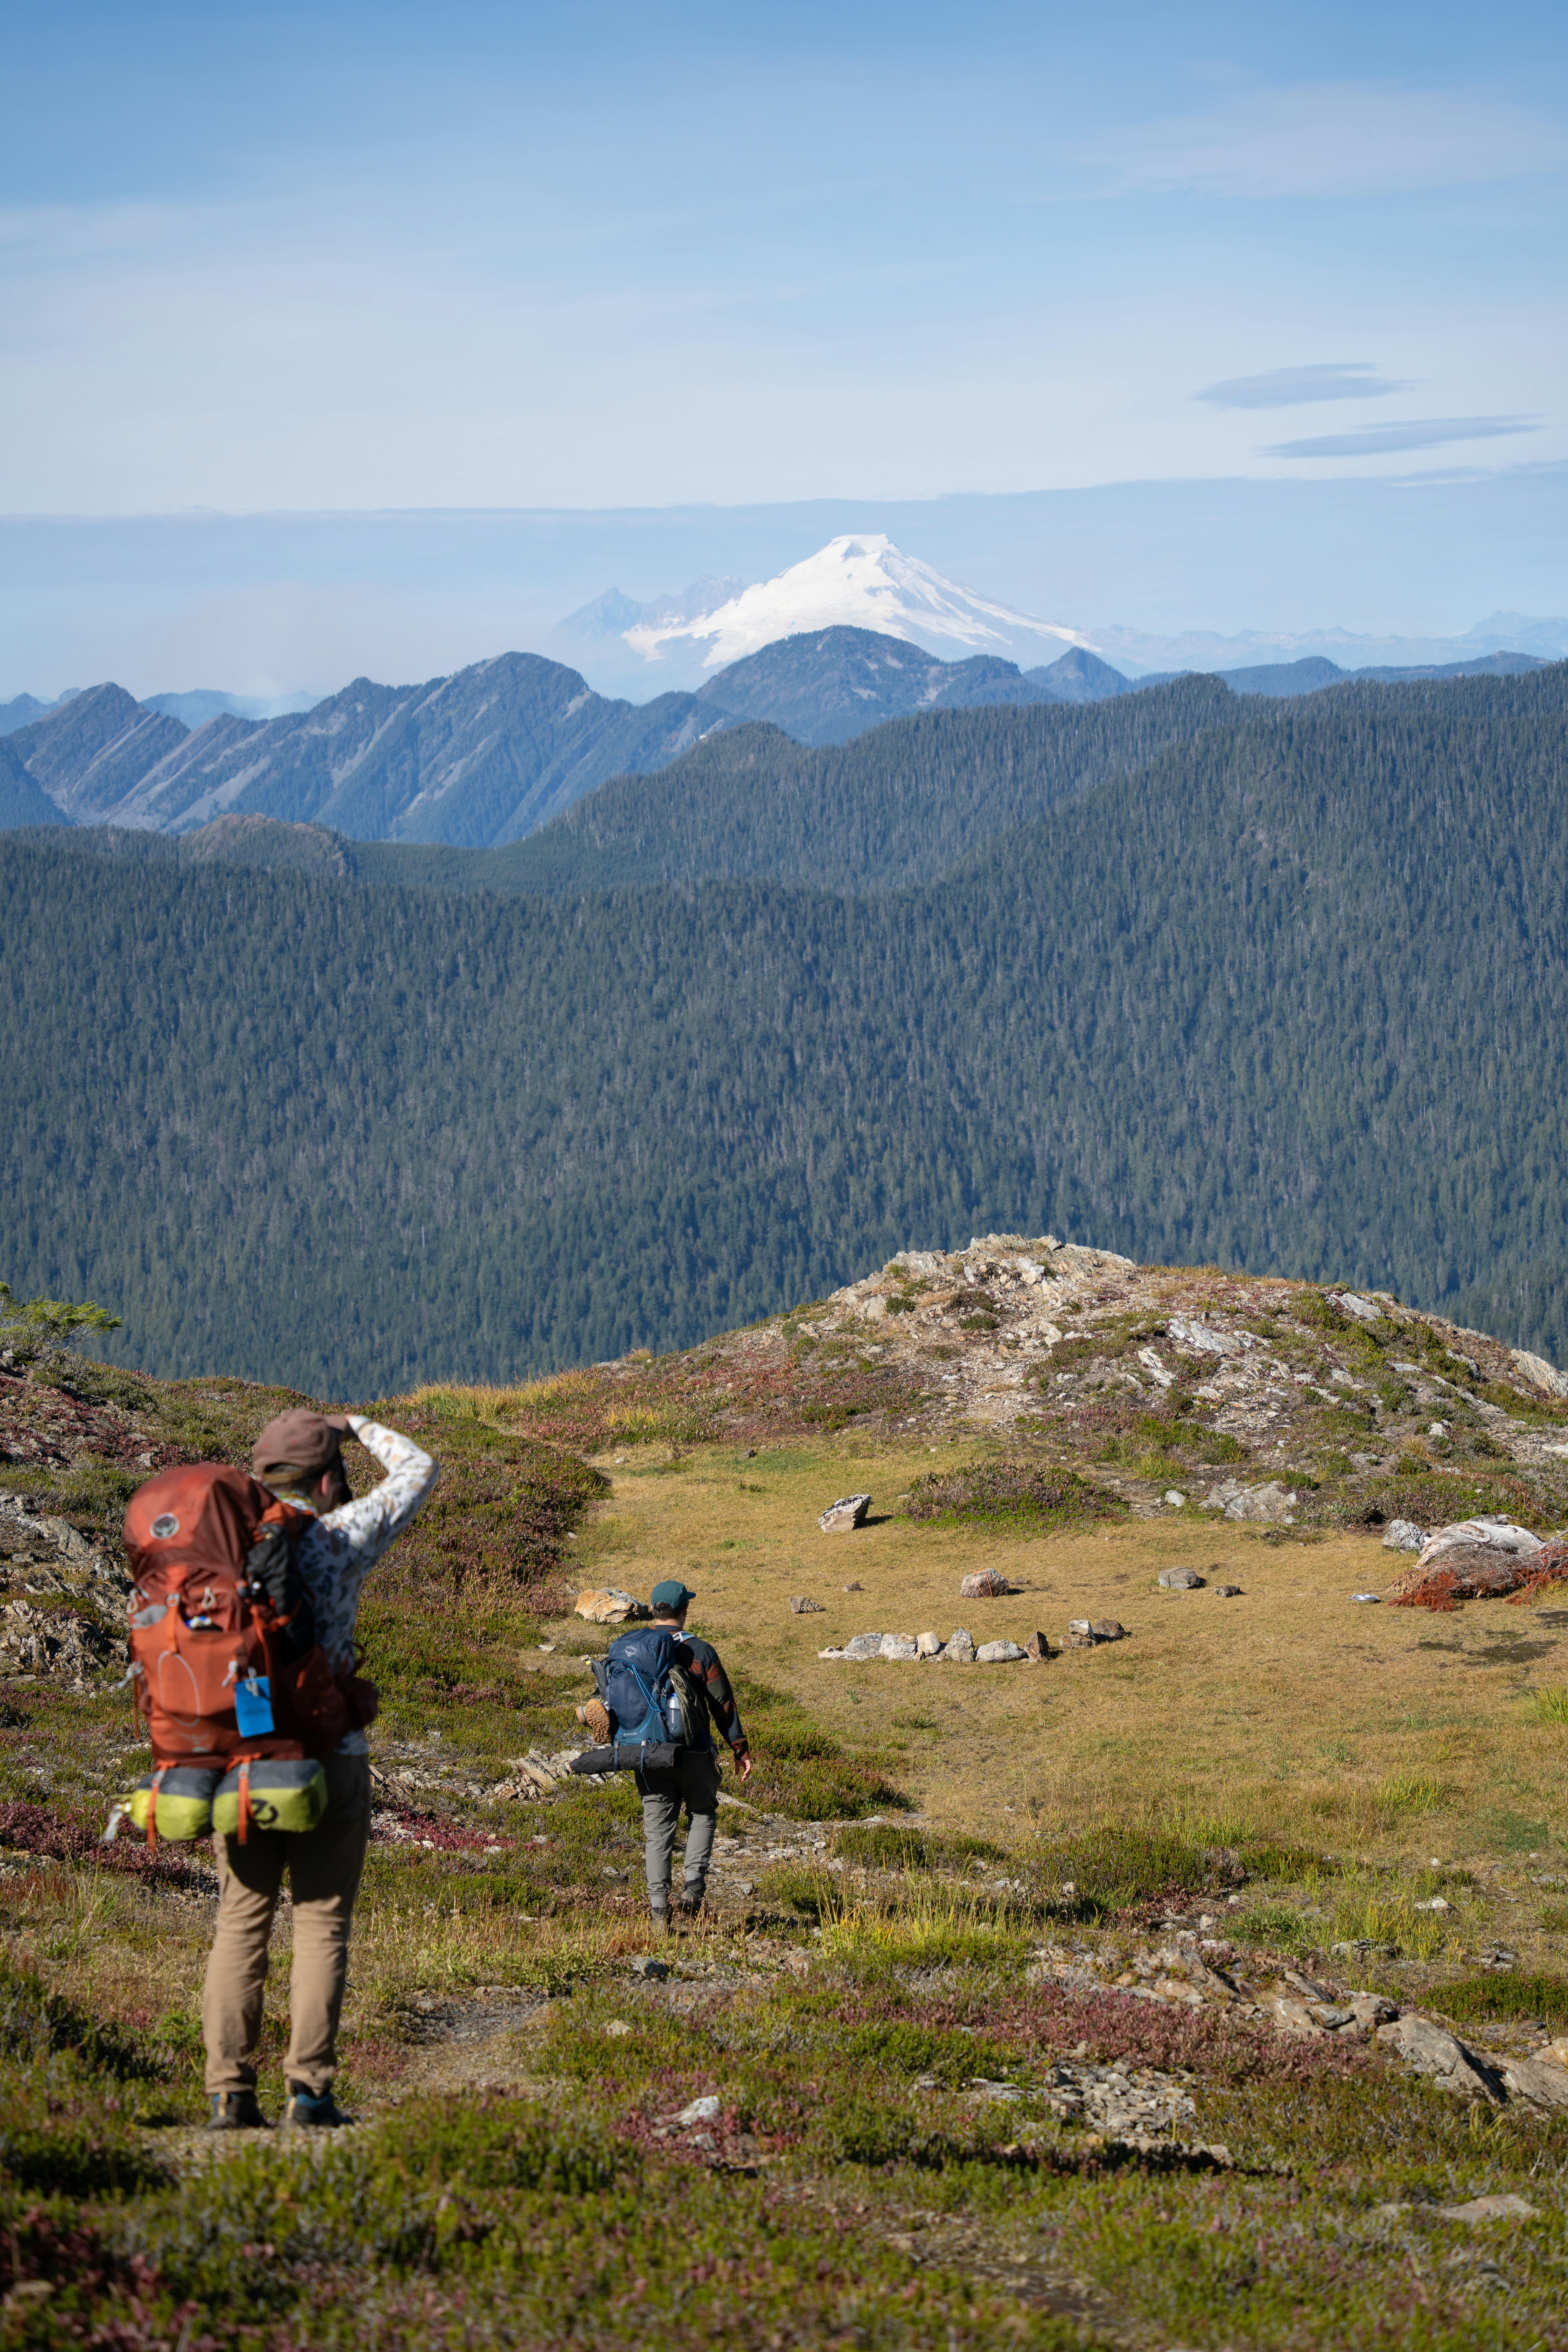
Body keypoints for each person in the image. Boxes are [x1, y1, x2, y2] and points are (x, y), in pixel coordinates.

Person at [203, 1407, 437, 2132]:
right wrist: (358, 1422)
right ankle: (309, 2093)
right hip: (332, 1756)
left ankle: (228, 2094)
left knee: (241, 1922)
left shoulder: (224, 1547)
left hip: (243, 1756)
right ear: (329, 1478)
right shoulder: (341, 1539)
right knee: (321, 1923)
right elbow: (419, 1469)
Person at [637, 1579, 751, 1934]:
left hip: (649, 1754)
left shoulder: (633, 1648)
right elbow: (723, 1704)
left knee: (658, 1832)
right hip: (695, 1751)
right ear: (685, 1610)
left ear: (654, 1610)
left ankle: (659, 1913)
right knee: (702, 1812)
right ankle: (693, 1891)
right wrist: (740, 1749)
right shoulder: (700, 1651)